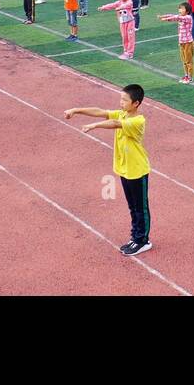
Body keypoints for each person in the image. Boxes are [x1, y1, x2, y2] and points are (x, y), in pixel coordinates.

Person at [64, 84, 152, 256]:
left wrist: (94, 126)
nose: (121, 103)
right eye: (120, 99)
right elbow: (100, 111)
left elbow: (114, 123)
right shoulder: (123, 113)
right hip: (125, 169)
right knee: (132, 206)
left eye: (124, 100)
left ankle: (143, 240)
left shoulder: (137, 120)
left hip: (137, 170)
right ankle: (135, 237)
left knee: (141, 207)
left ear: (136, 103)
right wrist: (76, 110)